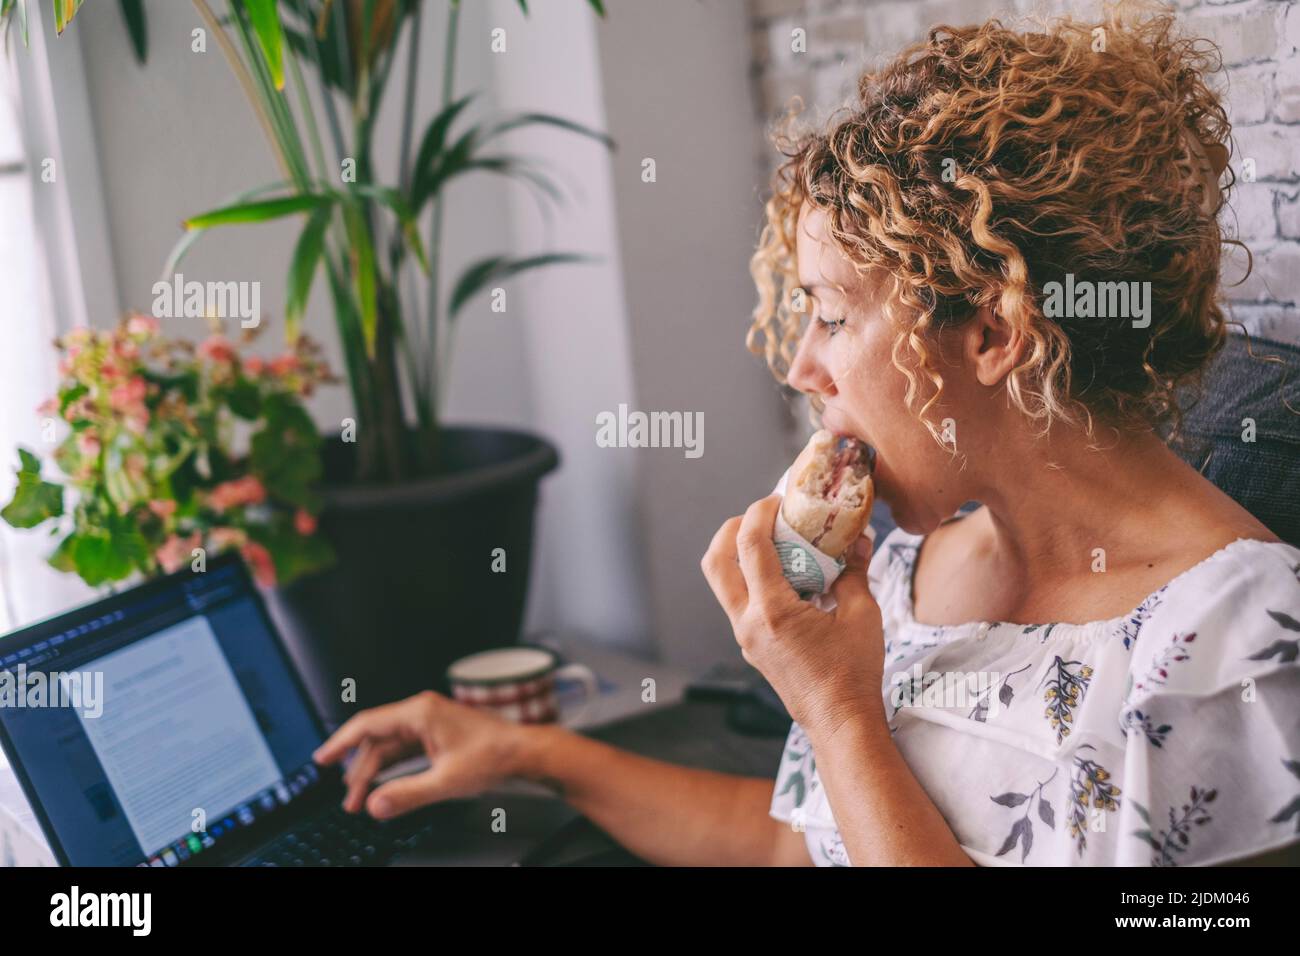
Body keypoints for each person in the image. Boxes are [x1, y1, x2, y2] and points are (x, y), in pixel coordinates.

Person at [314, 4, 1300, 866]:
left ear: (995, 332)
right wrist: (527, 752)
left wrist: (836, 707)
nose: (800, 367)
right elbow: (793, 843)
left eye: (831, 313)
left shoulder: (1236, 649)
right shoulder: (915, 563)